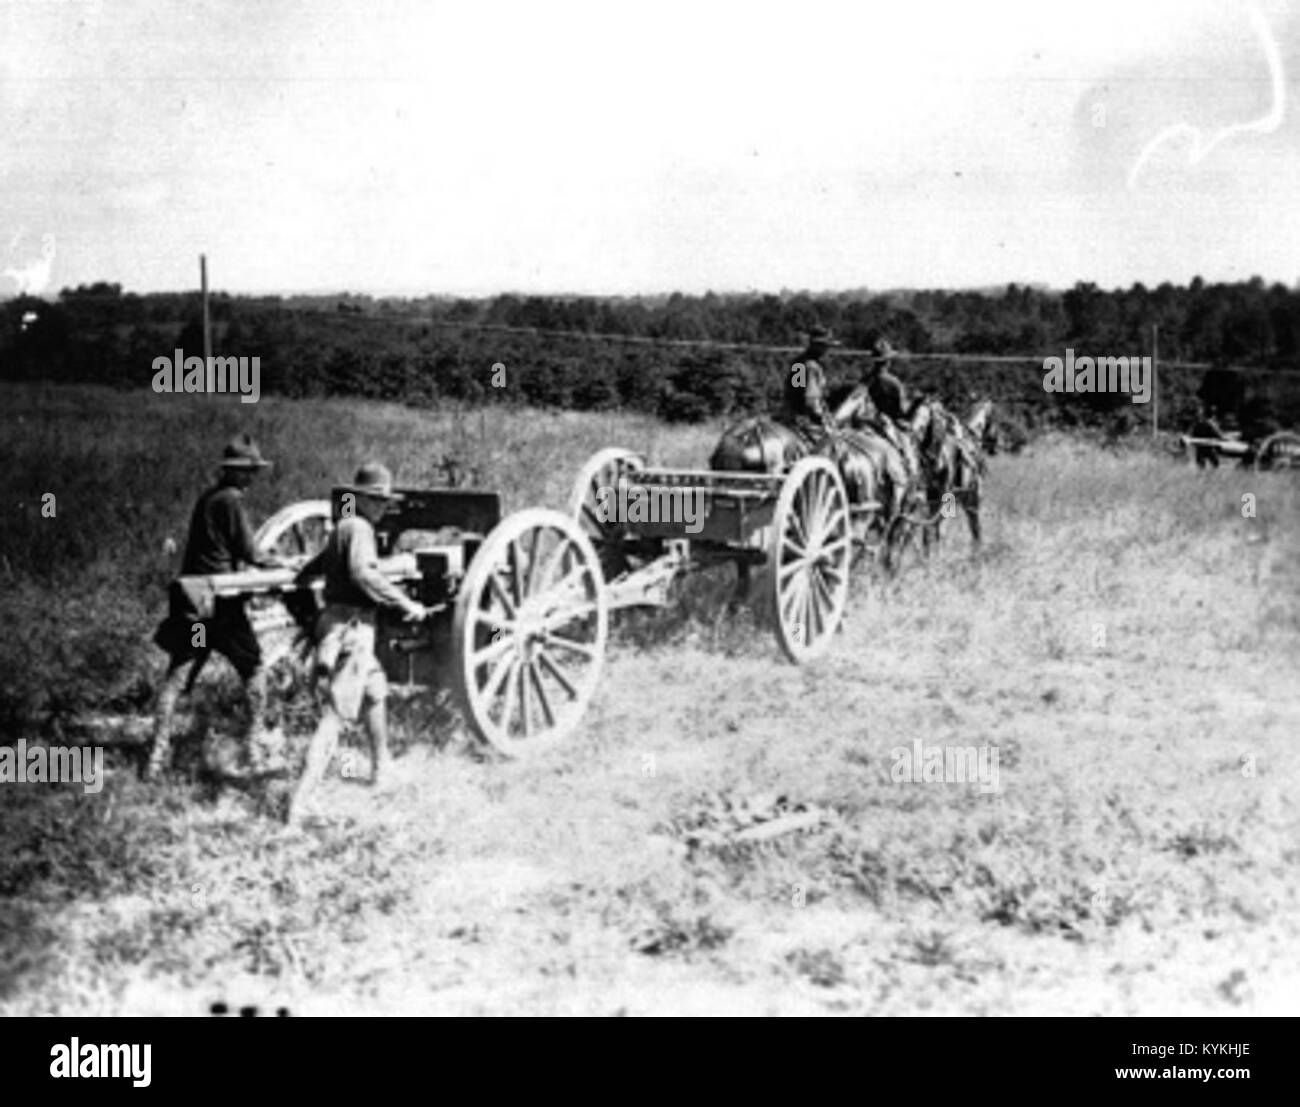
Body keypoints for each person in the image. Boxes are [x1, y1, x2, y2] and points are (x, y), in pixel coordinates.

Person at [286, 461, 432, 826]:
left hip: (336, 622)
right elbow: (363, 572)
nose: (384, 508)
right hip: (353, 629)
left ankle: (383, 768)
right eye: (378, 500)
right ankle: (301, 804)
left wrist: (302, 591)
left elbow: (312, 569)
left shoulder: (341, 528)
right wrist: (405, 602)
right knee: (336, 715)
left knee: (375, 691)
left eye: (385, 502)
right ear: (363, 499)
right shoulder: (362, 528)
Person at [145, 434, 284, 781]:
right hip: (223, 607)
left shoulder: (207, 498)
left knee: (179, 675)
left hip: (197, 606)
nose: (252, 478)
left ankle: (156, 756)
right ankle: (253, 747)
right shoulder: (232, 501)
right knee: (253, 668)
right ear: (235, 473)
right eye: (248, 471)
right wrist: (282, 566)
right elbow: (250, 553)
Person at [780, 325, 839, 442]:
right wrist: (824, 419)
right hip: (805, 420)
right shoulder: (812, 367)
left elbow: (793, 393)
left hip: (788, 415)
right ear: (817, 346)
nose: (828, 350)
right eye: (825, 346)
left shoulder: (798, 362)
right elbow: (812, 401)